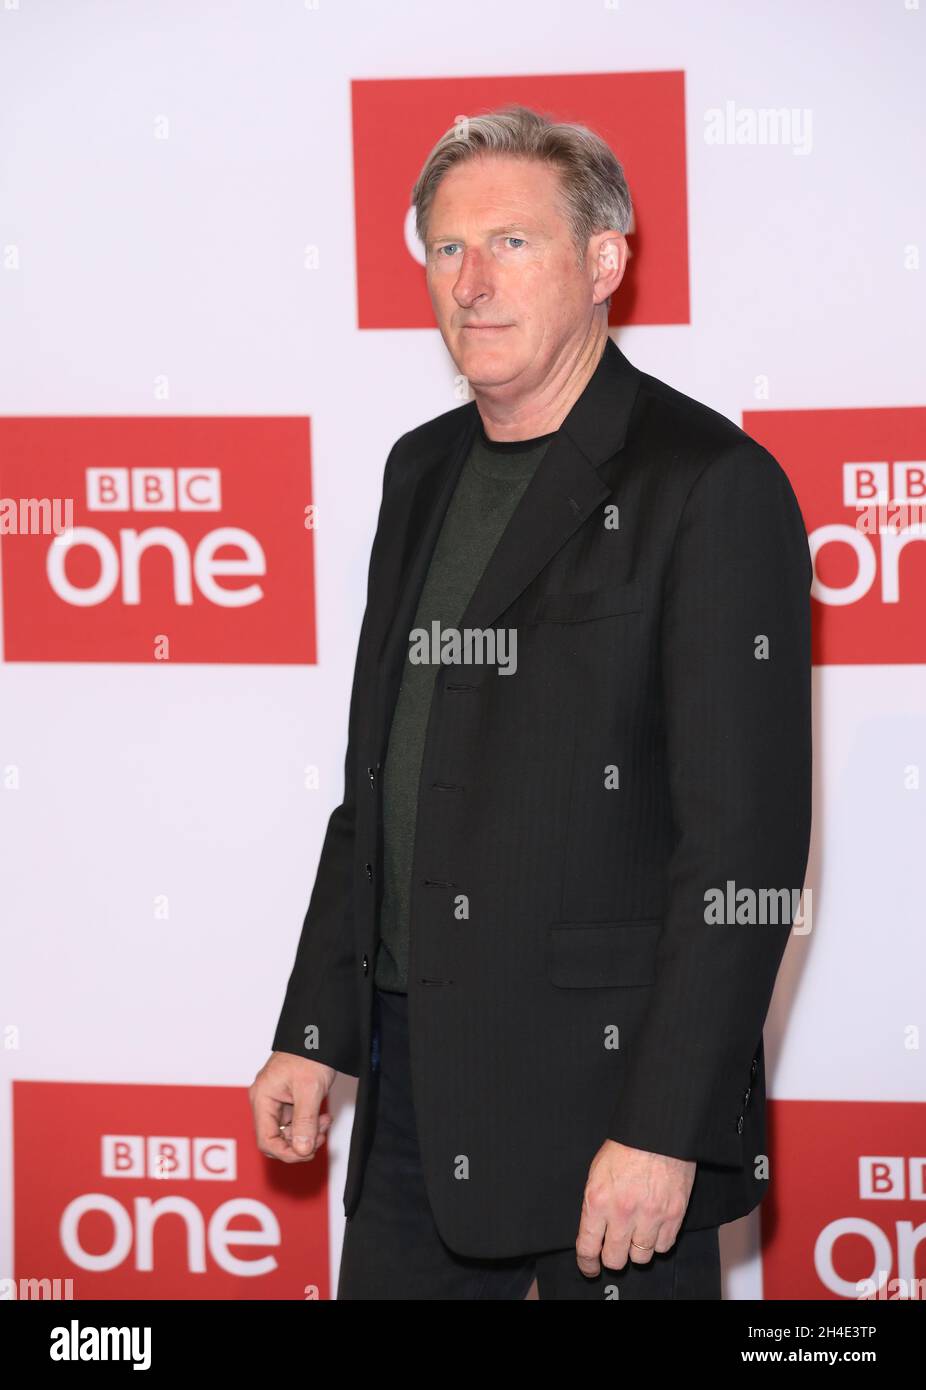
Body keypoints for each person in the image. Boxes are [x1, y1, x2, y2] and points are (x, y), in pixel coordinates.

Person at [249, 104, 813, 1300]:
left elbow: (740, 850)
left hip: (601, 1124)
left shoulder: (708, 486)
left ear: (602, 262)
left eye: (510, 243)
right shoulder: (418, 469)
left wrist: (664, 1127)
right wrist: (312, 1025)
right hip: (408, 1097)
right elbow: (379, 780)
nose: (471, 281)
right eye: (446, 249)